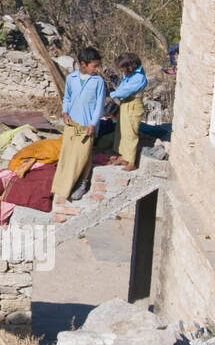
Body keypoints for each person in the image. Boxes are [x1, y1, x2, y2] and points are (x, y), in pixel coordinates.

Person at [50, 46, 106, 219]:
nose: (97, 69)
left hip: (87, 125)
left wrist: (93, 124)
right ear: (83, 64)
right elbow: (67, 97)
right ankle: (65, 184)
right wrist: (64, 112)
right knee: (68, 153)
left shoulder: (98, 82)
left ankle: (83, 182)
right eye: (94, 66)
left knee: (84, 155)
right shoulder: (71, 78)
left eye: (97, 66)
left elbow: (99, 105)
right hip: (71, 122)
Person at [105, 52, 147, 171]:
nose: (122, 71)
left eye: (123, 68)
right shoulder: (129, 75)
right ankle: (124, 156)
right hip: (126, 103)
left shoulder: (139, 77)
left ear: (130, 66)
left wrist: (112, 93)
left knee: (131, 133)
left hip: (134, 104)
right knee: (122, 130)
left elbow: (126, 91)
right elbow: (123, 87)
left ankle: (131, 161)